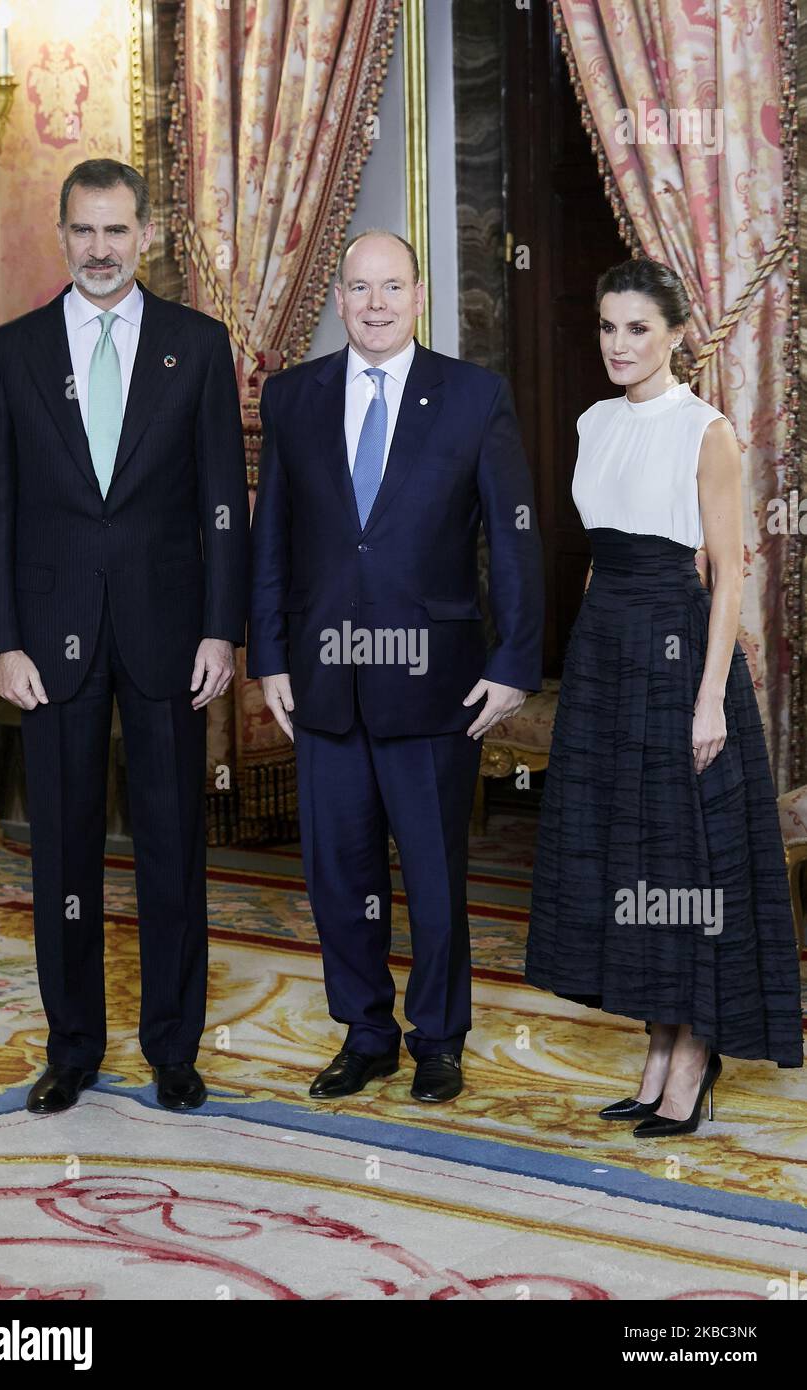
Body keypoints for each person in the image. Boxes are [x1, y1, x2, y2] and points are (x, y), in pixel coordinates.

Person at [0, 159, 250, 1114]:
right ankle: (71, 1049)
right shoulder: (7, 355)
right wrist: (2, 640)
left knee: (174, 848)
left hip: (171, 633)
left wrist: (223, 629)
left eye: (117, 231)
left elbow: (223, 498)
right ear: (62, 234)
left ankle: (174, 1047)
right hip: (49, 642)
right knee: (64, 857)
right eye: (84, 231)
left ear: (146, 235)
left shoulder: (197, 346)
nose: (100, 249)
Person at [248, 229, 543, 1103]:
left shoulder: (474, 396)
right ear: (338, 300)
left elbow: (515, 538)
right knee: (338, 872)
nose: (375, 303)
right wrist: (269, 655)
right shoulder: (293, 397)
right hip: (324, 674)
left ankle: (440, 1039)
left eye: (392, 287)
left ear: (420, 296)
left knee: (435, 873)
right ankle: (366, 1032)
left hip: (436, 678)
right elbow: (271, 541)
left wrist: (516, 661)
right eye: (359, 288)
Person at [524, 256, 803, 1137]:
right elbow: (602, 558)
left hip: (681, 658)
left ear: (678, 334)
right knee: (627, 859)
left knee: (684, 866)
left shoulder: (706, 430)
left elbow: (728, 580)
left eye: (637, 327)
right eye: (608, 326)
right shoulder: (591, 421)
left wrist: (711, 698)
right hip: (605, 653)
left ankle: (692, 1054)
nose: (618, 343)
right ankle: (656, 1044)